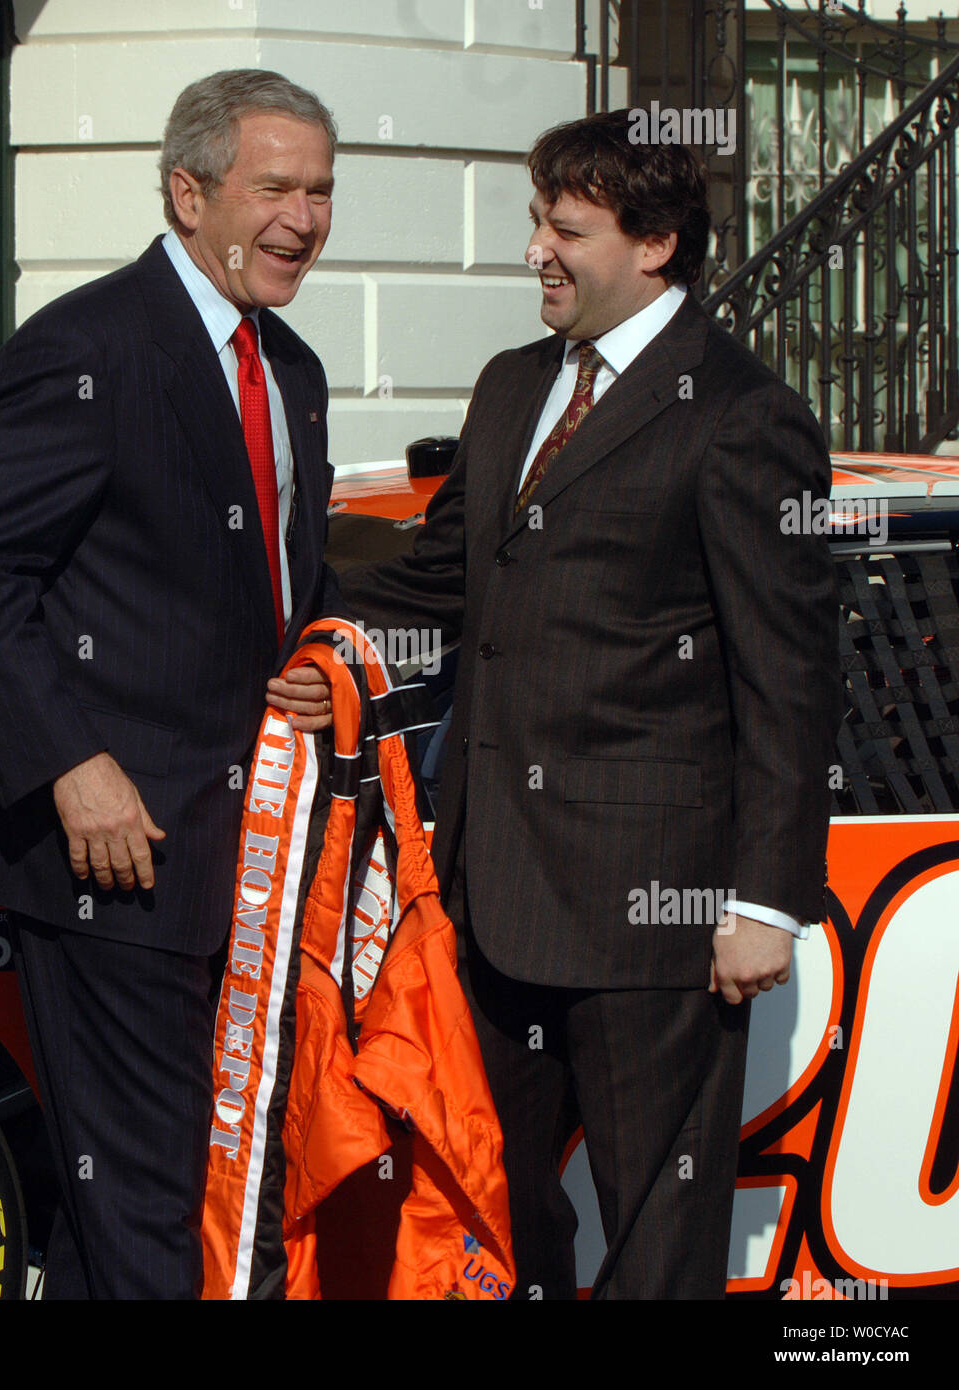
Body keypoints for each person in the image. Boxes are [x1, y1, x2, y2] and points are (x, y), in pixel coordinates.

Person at [339, 110, 842, 1299]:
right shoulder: (514, 385)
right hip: (487, 895)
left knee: (656, 1239)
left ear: (656, 242)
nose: (535, 252)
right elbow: (442, 575)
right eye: (535, 222)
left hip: (652, 911)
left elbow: (791, 675)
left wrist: (765, 897)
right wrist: (252, 588)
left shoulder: (740, 413)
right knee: (489, 1212)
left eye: (566, 228)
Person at [0, 68, 340, 1299]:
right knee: (157, 1205)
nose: (304, 219)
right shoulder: (85, 344)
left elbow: (260, 590)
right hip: (116, 855)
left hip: (244, 863)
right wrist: (69, 765)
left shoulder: (292, 366)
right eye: (276, 188)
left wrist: (314, 664)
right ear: (188, 190)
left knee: (172, 1204)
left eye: (320, 191)